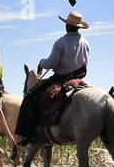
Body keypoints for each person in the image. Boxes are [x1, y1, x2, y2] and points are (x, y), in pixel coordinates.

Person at [15, 11, 90, 143]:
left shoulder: (60, 42)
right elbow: (84, 64)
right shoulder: (85, 43)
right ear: (78, 27)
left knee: (30, 97)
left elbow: (52, 63)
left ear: (67, 26)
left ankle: (27, 135)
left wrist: (41, 63)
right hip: (79, 79)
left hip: (61, 78)